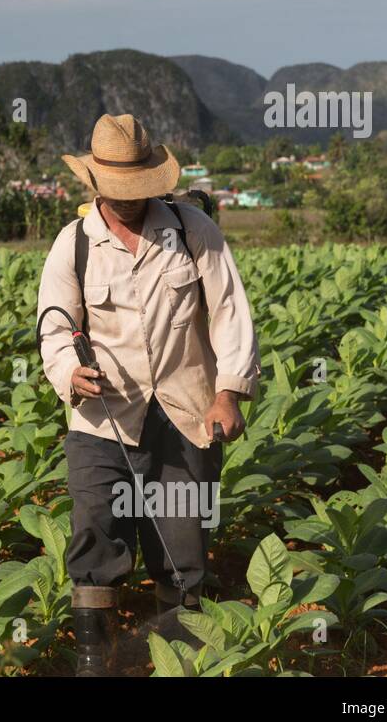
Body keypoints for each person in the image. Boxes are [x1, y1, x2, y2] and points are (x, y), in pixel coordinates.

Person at [37, 114, 260, 676]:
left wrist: (228, 393)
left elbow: (230, 312)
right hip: (101, 419)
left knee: (182, 545)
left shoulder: (191, 231)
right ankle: (96, 660)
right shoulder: (74, 245)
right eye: (119, 191)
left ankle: (179, 659)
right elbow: (54, 325)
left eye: (139, 189)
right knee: (95, 530)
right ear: (95, 186)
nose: (130, 201)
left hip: (184, 412)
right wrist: (68, 372)